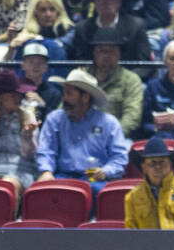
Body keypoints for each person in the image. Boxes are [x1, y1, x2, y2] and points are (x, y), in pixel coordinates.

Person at [37, 68, 129, 197]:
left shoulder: (109, 123)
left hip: (95, 180)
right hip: (62, 176)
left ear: (85, 97)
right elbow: (46, 150)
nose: (64, 98)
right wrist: (46, 171)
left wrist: (106, 171)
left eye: (69, 94)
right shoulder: (55, 119)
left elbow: (119, 158)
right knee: (44, 190)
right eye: (64, 93)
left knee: (103, 194)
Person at [68, 0, 153, 76]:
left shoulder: (136, 26)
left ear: (119, 1)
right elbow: (79, 63)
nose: (105, 2)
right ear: (94, 2)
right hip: (92, 81)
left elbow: (144, 64)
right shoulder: (82, 28)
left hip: (127, 82)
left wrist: (128, 80)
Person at [123, 135, 174, 229]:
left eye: (162, 162)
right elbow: (131, 233)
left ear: (170, 164)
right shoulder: (132, 197)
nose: (157, 167)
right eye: (152, 163)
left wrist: (168, 243)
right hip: (149, 244)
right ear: (144, 167)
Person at [87, 26, 144, 137]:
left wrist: (111, 137)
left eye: (111, 51)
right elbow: (66, 108)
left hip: (115, 136)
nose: (107, 55)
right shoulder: (80, 75)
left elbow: (132, 117)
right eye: (102, 51)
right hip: (81, 136)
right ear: (94, 53)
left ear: (119, 54)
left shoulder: (131, 80)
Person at [6, 0, 73, 69]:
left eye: (52, 9)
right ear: (35, 13)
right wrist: (11, 48)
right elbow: (8, 68)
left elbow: (59, 46)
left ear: (58, 11)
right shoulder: (26, 33)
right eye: (43, 10)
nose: (48, 14)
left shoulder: (69, 30)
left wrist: (34, 39)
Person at [17, 42, 61, 122]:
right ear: (23, 65)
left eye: (40, 62)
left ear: (46, 67)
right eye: (31, 62)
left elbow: (57, 121)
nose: (36, 66)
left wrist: (42, 105)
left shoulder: (54, 94)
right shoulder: (14, 91)